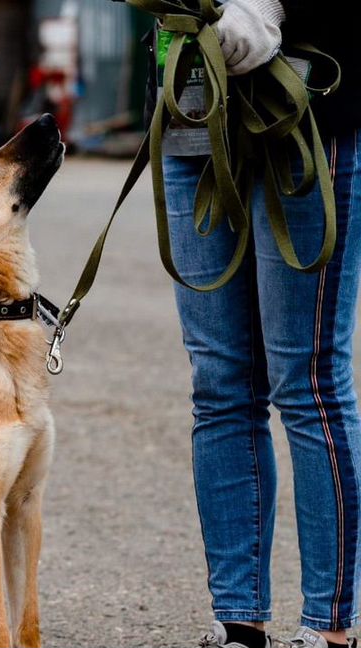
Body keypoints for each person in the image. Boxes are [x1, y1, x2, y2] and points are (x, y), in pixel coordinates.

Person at [157, 1, 361, 646]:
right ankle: (239, 622)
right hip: (190, 120)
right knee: (219, 384)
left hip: (308, 115)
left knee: (308, 384)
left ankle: (330, 627)